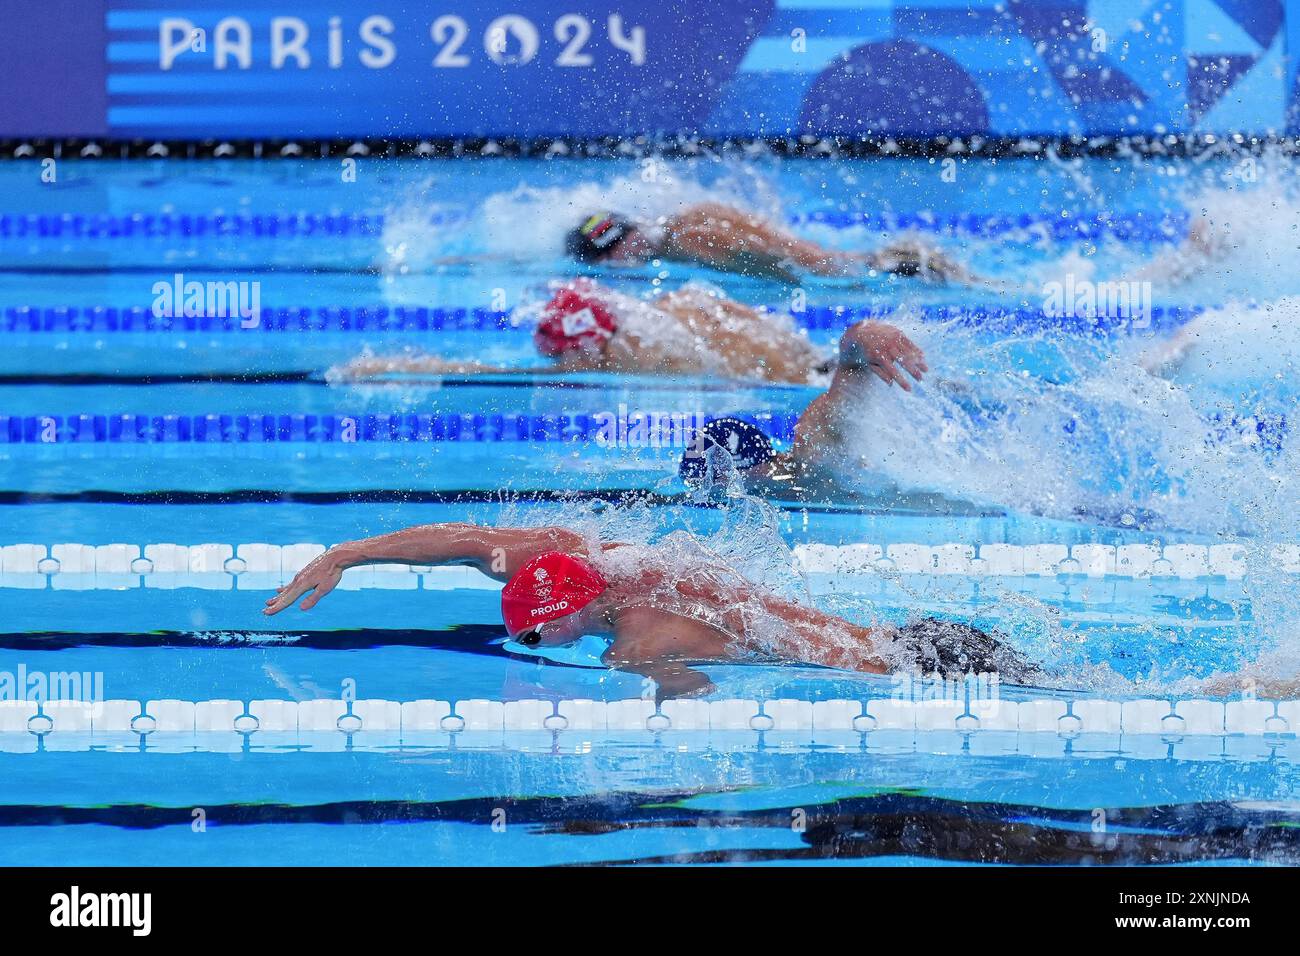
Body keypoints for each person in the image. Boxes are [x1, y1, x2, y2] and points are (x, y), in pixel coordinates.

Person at [263, 521, 1036, 698]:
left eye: (536, 633)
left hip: (915, 677)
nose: (534, 642)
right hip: (925, 638)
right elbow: (467, 541)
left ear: (568, 614)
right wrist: (347, 554)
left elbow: (696, 693)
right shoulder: (609, 560)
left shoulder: (630, 643)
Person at [332, 279, 918, 388]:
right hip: (815, 361)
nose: (557, 364)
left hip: (812, 380)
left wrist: (418, 367)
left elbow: (506, 374)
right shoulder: (674, 309)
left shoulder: (647, 356)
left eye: (560, 355)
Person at [565, 205, 981, 283]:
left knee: (834, 265)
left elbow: (773, 257)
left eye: (625, 243)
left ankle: (911, 264)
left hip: (824, 265)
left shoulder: (688, 239)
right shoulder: (679, 227)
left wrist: (792, 279)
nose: (629, 252)